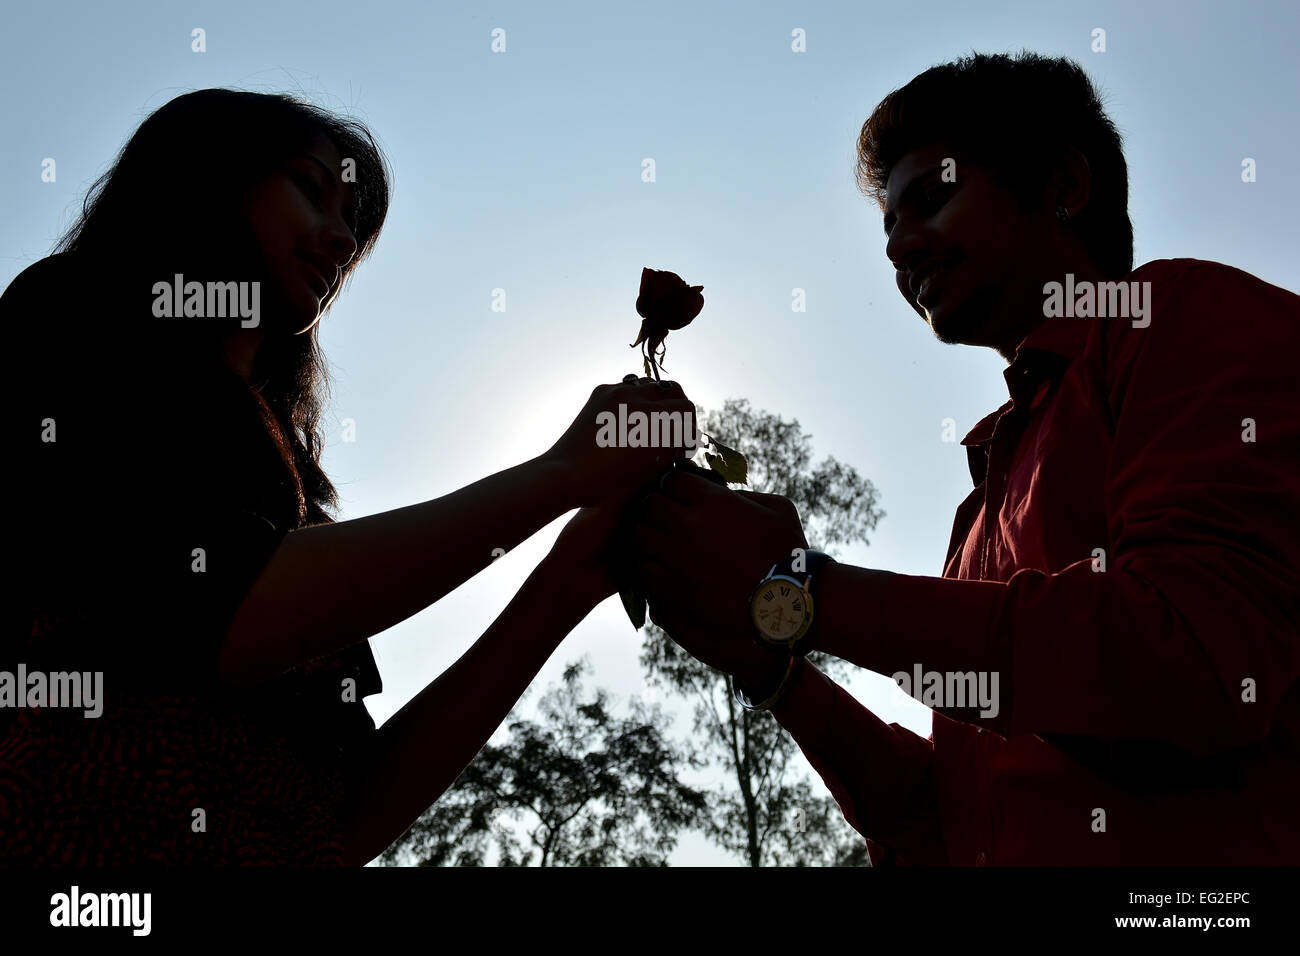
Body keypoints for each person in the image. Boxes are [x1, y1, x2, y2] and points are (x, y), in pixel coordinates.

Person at [628, 51, 1300, 865]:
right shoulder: (976, 510)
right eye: (888, 225)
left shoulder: (1184, 319)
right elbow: (946, 823)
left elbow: (1195, 661)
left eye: (931, 199)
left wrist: (801, 589)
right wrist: (770, 669)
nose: (898, 248)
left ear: (1064, 187)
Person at [1, 88, 691, 866]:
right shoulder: (70, 318)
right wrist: (561, 474)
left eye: (351, 225)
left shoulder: (294, 490)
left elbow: (344, 812)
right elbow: (216, 615)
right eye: (310, 189)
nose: (340, 240)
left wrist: (567, 581)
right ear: (205, 178)